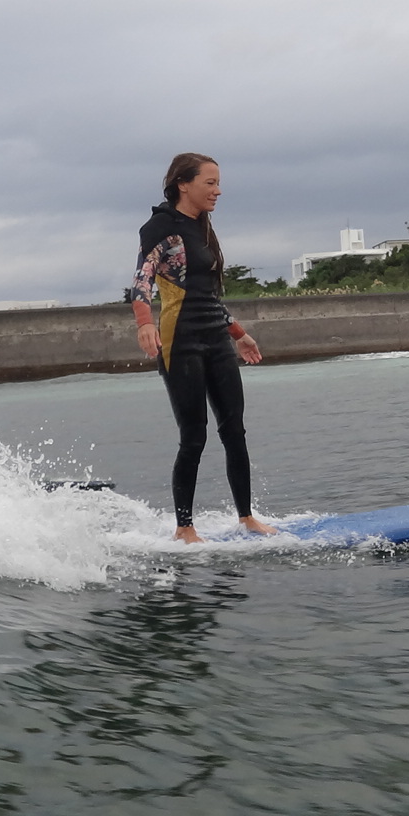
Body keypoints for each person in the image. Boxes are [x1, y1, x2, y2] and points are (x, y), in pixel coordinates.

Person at [130, 153, 277, 543]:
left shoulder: (203, 229)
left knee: (234, 430)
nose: (218, 190)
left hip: (215, 338)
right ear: (183, 184)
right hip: (180, 342)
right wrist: (145, 322)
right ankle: (184, 528)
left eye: (218, 183)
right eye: (210, 183)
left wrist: (238, 333)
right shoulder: (161, 226)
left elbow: (207, 296)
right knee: (194, 436)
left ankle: (246, 517)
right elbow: (142, 280)